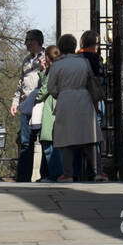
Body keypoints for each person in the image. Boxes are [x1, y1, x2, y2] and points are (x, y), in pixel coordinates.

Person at [47, 33, 104, 183]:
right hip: (84, 98)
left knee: (67, 138)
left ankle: (68, 173)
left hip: (65, 99)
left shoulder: (57, 65)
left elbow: (51, 88)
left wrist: (61, 93)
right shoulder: (83, 62)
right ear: (74, 46)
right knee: (89, 137)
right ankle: (98, 171)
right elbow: (90, 79)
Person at [11, 29, 46, 182]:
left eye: (28, 40)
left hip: (40, 104)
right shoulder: (26, 60)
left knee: (45, 140)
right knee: (26, 142)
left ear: (35, 41)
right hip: (26, 105)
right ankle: (24, 177)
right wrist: (15, 102)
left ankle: (46, 175)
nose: (25, 43)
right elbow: (20, 83)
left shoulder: (46, 58)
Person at [77, 30, 107, 181]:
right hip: (95, 100)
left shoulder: (78, 57)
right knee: (94, 138)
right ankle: (95, 170)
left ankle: (79, 171)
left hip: (80, 100)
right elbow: (102, 80)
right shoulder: (97, 58)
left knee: (79, 138)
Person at [32, 44, 62, 182]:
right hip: (57, 106)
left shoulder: (54, 70)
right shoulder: (58, 68)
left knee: (49, 143)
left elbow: (45, 88)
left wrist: (34, 98)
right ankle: (55, 174)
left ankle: (54, 174)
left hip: (51, 107)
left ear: (49, 58)